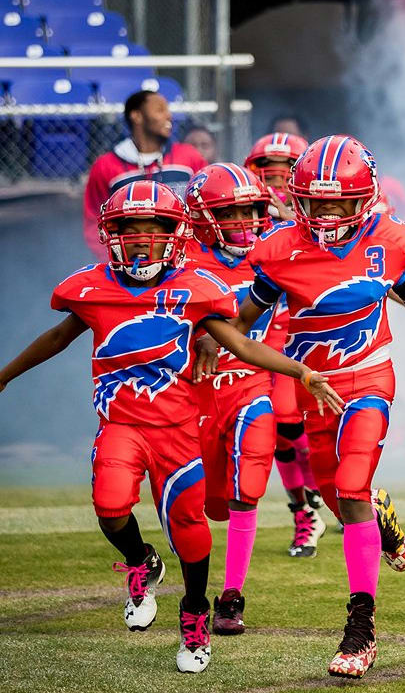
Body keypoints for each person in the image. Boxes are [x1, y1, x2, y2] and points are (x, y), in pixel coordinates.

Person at [0, 181, 341, 673]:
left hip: (178, 430)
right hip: (121, 422)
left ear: (174, 235)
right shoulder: (92, 287)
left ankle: (195, 612)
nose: (140, 242)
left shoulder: (194, 288)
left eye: (151, 230)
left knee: (190, 529)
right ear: (111, 235)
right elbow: (57, 337)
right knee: (109, 506)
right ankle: (142, 561)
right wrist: (5, 376)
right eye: (129, 230)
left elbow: (242, 344)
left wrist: (302, 372)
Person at [204, 134, 405, 679]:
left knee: (351, 485)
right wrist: (209, 340)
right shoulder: (280, 248)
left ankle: (361, 629)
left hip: (369, 380)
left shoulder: (392, 241)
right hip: (313, 389)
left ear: (364, 199)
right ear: (299, 200)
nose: (328, 214)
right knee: (340, 497)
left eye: (340, 203)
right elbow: (240, 323)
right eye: (316, 203)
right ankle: (380, 515)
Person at [184, 162, 293, 633]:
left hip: (250, 385)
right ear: (203, 218)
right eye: (230, 213)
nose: (245, 222)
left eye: (251, 210)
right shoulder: (181, 258)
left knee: (248, 489)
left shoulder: (275, 249)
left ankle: (231, 596)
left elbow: (326, 251)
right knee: (200, 505)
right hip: (193, 395)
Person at [243, 132, 331, 555]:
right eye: (267, 173)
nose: (275, 183)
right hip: (250, 335)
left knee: (303, 425)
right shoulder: (240, 216)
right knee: (277, 429)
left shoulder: (324, 220)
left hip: (306, 335)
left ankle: (324, 494)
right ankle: (305, 510)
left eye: (285, 173)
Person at [83, 90, 207, 261]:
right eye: (160, 109)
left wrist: (197, 255)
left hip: (186, 260)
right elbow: (94, 222)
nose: (169, 116)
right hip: (131, 264)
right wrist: (115, 259)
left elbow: (205, 210)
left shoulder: (189, 157)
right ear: (137, 116)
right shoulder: (105, 166)